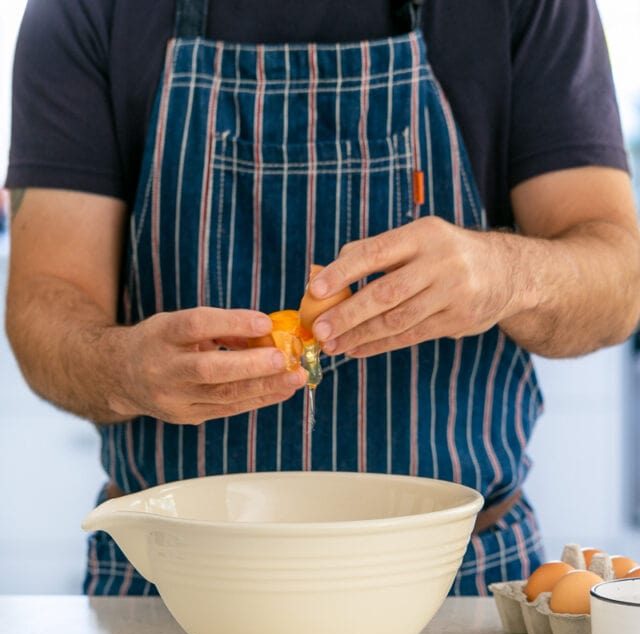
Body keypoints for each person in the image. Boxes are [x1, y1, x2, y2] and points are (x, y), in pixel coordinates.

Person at [5, 0, 639, 596]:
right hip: (173, 594)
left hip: (456, 593)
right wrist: (124, 370)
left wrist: (502, 274)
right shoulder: (88, 8)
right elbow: (44, 301)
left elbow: (620, 282)